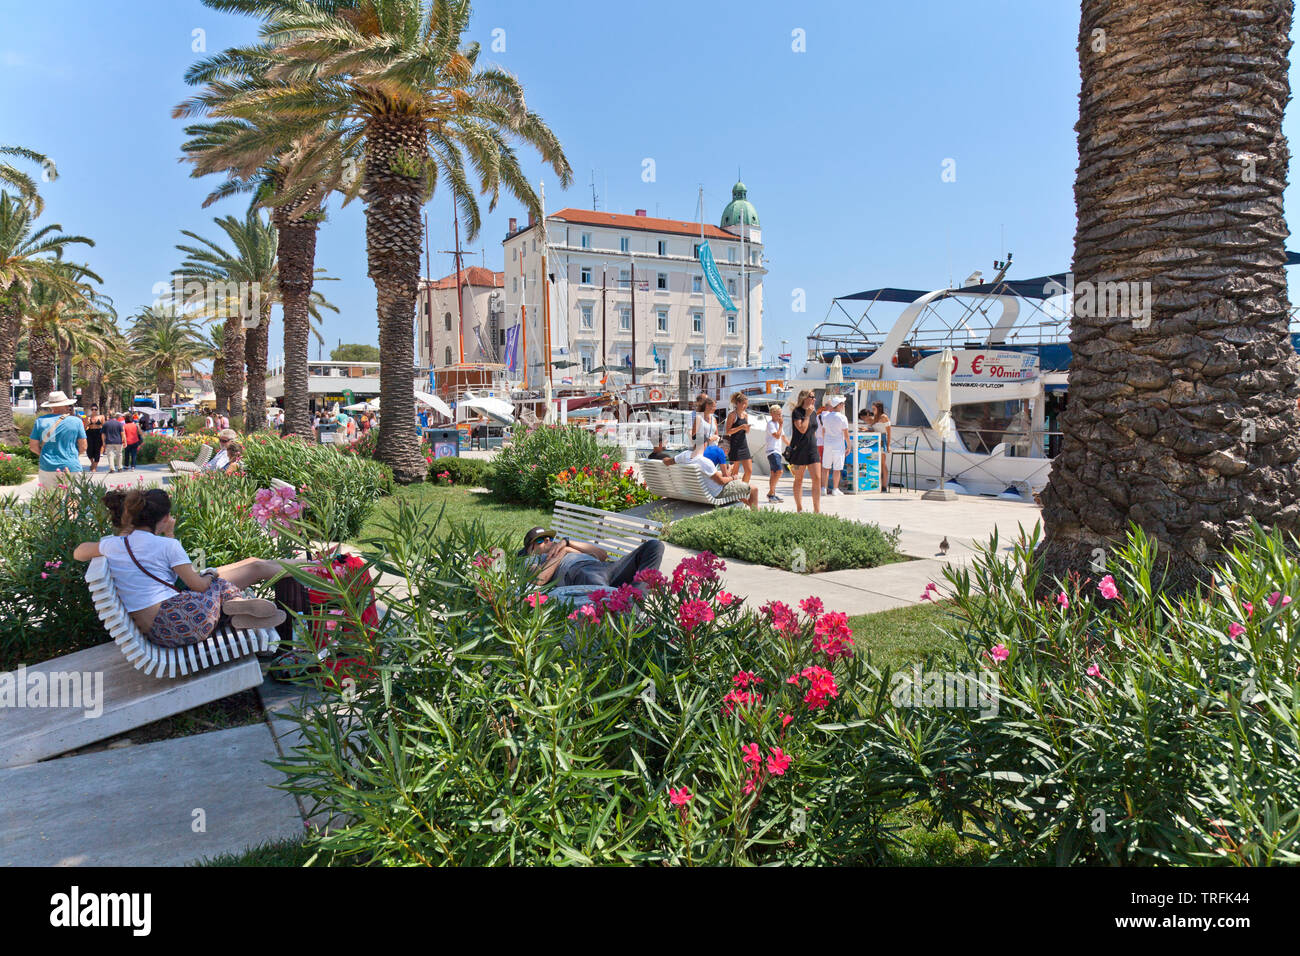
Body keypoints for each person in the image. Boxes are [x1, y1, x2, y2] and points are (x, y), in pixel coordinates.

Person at [72, 489, 287, 646]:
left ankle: (238, 615)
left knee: (211, 587)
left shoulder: (115, 545)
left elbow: (79, 552)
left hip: (159, 635)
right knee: (218, 581)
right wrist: (211, 575)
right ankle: (238, 603)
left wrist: (108, 545)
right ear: (165, 518)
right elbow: (199, 586)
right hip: (185, 620)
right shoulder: (168, 545)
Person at [523, 526, 665, 588]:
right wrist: (562, 553)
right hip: (580, 575)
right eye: (540, 540)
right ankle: (631, 608)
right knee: (604, 598)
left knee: (654, 546)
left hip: (606, 567)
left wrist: (567, 543)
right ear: (531, 550)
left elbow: (603, 555)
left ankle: (636, 599)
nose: (547, 541)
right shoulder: (533, 559)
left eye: (548, 538)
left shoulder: (564, 546)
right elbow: (539, 579)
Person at [667, 448, 760, 510]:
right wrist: (733, 478)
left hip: (695, 492)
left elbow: (667, 462)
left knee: (736, 487)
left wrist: (663, 458)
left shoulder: (683, 455)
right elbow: (721, 482)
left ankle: (752, 506)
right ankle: (755, 516)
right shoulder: (704, 462)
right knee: (754, 489)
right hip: (716, 494)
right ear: (704, 444)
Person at [29, 391, 87, 489]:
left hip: (47, 467)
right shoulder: (76, 421)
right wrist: (71, 456)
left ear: (51, 406)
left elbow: (33, 447)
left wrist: (45, 455)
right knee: (72, 500)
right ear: (66, 405)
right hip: (70, 466)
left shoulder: (40, 421)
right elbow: (83, 447)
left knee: (50, 500)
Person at [787, 390, 821, 513]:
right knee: (798, 479)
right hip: (798, 451)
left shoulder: (813, 412)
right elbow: (802, 429)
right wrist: (807, 414)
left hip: (812, 449)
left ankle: (817, 510)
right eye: (812, 397)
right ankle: (799, 508)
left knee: (817, 478)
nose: (814, 399)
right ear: (805, 398)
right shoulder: (797, 412)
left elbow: (813, 430)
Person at [820, 394, 849, 496]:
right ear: (839, 405)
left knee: (826, 467)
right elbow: (846, 434)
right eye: (843, 404)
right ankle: (835, 489)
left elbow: (823, 431)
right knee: (837, 468)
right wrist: (849, 446)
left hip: (827, 444)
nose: (844, 405)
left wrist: (826, 440)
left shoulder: (826, 417)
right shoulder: (842, 418)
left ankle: (823, 488)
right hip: (838, 445)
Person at [724, 393, 754, 484]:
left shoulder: (745, 415)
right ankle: (733, 492)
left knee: (749, 470)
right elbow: (728, 431)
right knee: (735, 473)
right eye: (743, 403)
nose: (745, 406)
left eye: (746, 404)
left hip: (744, 444)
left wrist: (747, 429)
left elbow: (745, 431)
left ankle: (743, 491)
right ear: (737, 403)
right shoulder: (732, 415)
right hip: (735, 444)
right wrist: (741, 427)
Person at [765, 403, 787, 504]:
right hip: (772, 451)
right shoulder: (770, 424)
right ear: (773, 414)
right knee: (779, 471)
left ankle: (772, 494)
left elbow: (783, 437)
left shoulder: (778, 424)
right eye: (778, 414)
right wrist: (781, 424)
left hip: (777, 451)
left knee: (774, 473)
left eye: (780, 414)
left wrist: (792, 446)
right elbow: (777, 436)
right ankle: (771, 493)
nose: (780, 416)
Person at [870, 401, 893, 489]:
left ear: (878, 408)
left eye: (874, 409)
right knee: (877, 463)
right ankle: (878, 483)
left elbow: (889, 432)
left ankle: (884, 485)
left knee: (883, 463)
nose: (872, 410)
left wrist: (888, 445)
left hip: (882, 440)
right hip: (875, 440)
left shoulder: (884, 417)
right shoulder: (875, 417)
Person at [85, 405, 105, 474]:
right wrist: (87, 424)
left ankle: (95, 467)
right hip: (90, 433)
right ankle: (92, 463)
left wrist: (104, 437)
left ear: (97, 410)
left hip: (98, 433)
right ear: (91, 410)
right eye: (92, 409)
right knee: (89, 450)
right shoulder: (88, 417)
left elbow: (104, 427)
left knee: (97, 450)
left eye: (95, 409)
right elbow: (84, 427)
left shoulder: (101, 417)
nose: (94, 411)